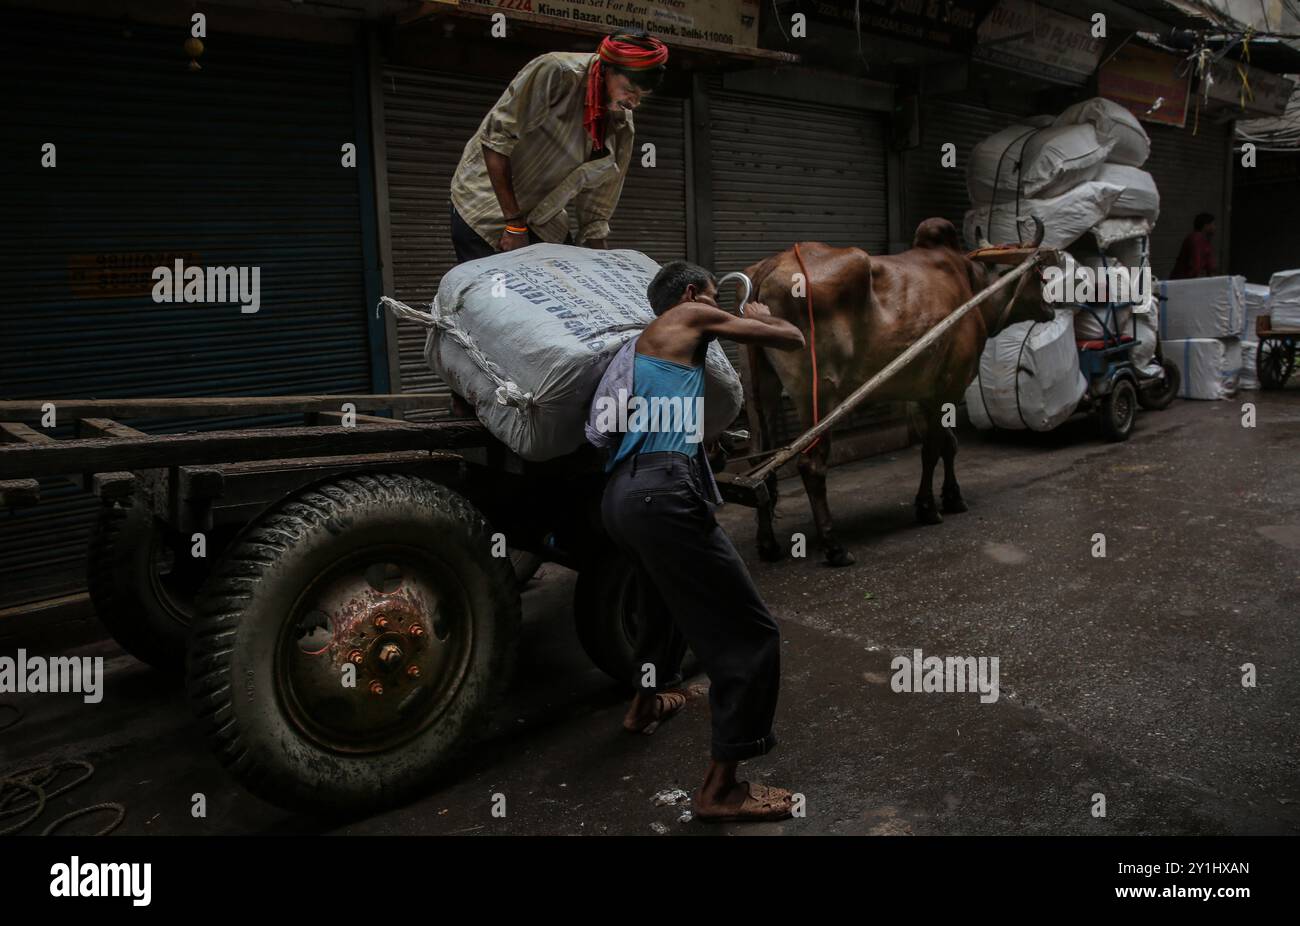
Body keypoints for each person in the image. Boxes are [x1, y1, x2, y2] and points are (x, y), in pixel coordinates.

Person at [585, 261, 806, 823]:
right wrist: (761, 314)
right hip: (662, 494)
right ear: (689, 296)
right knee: (751, 636)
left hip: (622, 498)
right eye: (712, 296)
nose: (714, 306)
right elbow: (791, 339)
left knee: (663, 608)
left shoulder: (641, 347)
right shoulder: (687, 316)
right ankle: (721, 789)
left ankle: (643, 705)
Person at [448, 31, 668, 263]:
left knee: (565, 286)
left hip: (543, 216)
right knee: (493, 293)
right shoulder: (557, 72)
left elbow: (597, 210)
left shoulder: (621, 124)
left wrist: (605, 264)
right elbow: (495, 141)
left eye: (642, 96)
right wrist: (514, 226)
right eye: (630, 89)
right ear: (607, 68)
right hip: (486, 205)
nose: (634, 102)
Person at [1170, 212, 1218, 279]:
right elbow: (1196, 266)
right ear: (1206, 226)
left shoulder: (1205, 240)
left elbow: (1210, 264)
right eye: (1212, 224)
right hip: (1184, 281)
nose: (1214, 227)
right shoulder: (1195, 238)